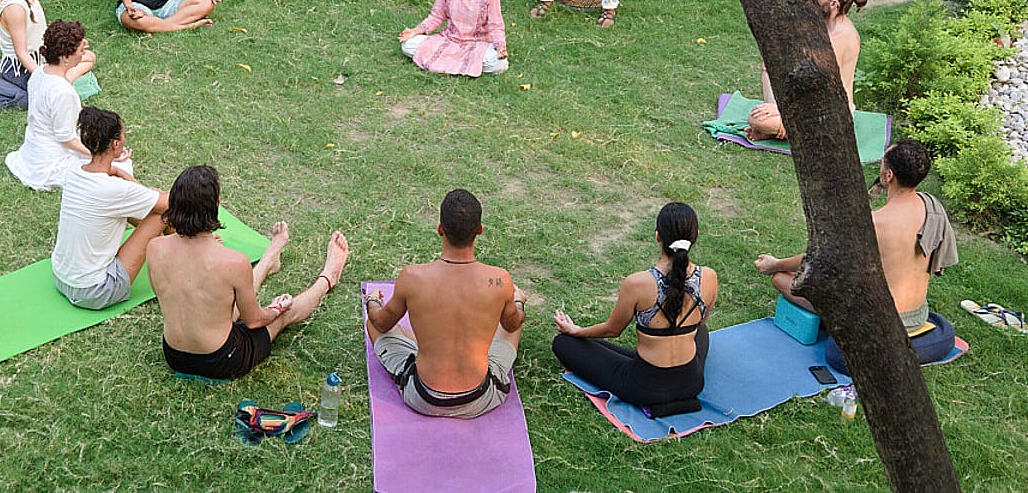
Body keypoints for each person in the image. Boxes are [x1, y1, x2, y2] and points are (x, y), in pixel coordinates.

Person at [755, 139, 958, 367]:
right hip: (917, 317)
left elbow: (817, 260)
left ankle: (867, 345)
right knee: (944, 331)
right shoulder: (933, 206)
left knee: (782, 279)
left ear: (889, 175)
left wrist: (775, 264)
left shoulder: (872, 224)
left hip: (876, 323)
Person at [146, 165, 350, 380]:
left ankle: (269, 260)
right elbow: (254, 322)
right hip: (221, 360)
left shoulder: (154, 247)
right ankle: (328, 277)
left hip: (174, 355)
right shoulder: (232, 261)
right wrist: (276, 309)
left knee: (226, 291)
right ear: (216, 204)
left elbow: (170, 293)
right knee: (283, 315)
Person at [365, 189, 525, 419]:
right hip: (480, 398)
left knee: (373, 325)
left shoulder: (412, 277)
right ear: (479, 230)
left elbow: (380, 323)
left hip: (424, 398)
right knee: (513, 322)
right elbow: (512, 325)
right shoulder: (501, 280)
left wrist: (372, 301)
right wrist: (518, 301)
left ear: (440, 229)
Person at [552, 203, 719, 408]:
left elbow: (612, 330)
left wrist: (576, 331)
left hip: (646, 388)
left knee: (564, 343)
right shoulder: (710, 277)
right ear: (696, 236)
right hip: (691, 383)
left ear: (658, 236)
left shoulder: (638, 283)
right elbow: (701, 322)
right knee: (701, 332)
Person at [52, 107, 169, 310]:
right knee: (160, 215)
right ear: (115, 144)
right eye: (123, 136)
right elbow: (171, 203)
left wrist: (121, 174)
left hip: (61, 277)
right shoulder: (114, 189)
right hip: (95, 291)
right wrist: (140, 186)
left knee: (145, 202)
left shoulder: (73, 171)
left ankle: (181, 244)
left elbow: (119, 182)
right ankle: (190, 249)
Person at [5, 20, 132, 191]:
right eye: (80, 50)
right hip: (50, 160)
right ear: (65, 57)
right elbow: (66, 138)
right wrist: (100, 155)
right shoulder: (62, 92)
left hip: (34, 149)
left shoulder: (40, 72)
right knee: (121, 165)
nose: (83, 53)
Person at [745, 0, 867, 141]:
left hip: (830, 114)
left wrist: (783, 109)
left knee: (758, 120)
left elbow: (821, 89)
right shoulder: (825, 23)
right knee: (769, 65)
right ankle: (780, 121)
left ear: (834, 4)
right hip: (812, 102)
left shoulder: (842, 37)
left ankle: (781, 128)